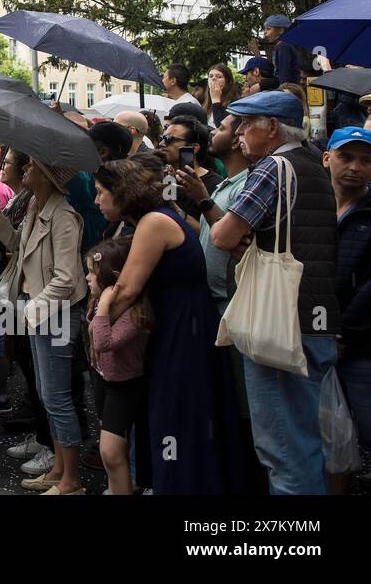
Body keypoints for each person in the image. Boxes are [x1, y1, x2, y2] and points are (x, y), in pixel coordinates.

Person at [210, 90, 341, 494]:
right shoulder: (313, 165)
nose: (240, 134)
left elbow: (222, 235)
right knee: (305, 443)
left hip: (281, 322)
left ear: (271, 128)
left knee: (283, 450)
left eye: (248, 125)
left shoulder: (273, 168)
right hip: (313, 320)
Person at [99, 154, 243, 494]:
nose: (97, 199)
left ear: (122, 193)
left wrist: (99, 317)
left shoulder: (154, 222)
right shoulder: (157, 218)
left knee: (178, 414)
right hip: (181, 323)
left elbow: (127, 289)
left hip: (183, 328)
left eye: (101, 191)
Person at [0, 154, 87, 495]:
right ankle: (58, 469)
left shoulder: (63, 216)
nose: (25, 169)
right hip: (39, 309)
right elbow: (17, 247)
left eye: (30, 166)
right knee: (46, 394)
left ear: (45, 174)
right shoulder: (34, 208)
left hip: (55, 312)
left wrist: (31, 312)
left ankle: (71, 479)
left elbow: (67, 279)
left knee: (57, 397)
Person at [84, 236, 150, 496]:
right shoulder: (100, 302)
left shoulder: (134, 313)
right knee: (113, 452)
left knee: (111, 452)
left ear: (113, 279)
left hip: (124, 385)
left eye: (92, 272)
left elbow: (102, 341)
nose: (88, 278)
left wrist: (106, 305)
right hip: (104, 379)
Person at [324, 127, 371, 460]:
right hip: (317, 340)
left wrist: (345, 331)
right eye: (347, 157)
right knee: (331, 442)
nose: (356, 166)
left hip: (361, 347)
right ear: (327, 159)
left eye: (366, 160)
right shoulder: (312, 207)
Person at [174, 113, 251, 315]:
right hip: (211, 299)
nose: (213, 132)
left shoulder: (245, 186)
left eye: (221, 128)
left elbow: (228, 238)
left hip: (231, 302)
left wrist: (202, 199)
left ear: (236, 140)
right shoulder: (227, 184)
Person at [159, 116, 222, 231]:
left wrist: (171, 205)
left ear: (193, 148)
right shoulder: (164, 176)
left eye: (169, 139)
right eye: (162, 137)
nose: (162, 143)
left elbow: (207, 233)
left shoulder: (215, 185)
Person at [264, 14, 302, 85]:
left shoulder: (284, 47)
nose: (265, 32)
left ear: (281, 30)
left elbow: (284, 74)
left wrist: (282, 91)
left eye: (268, 29)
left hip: (288, 89)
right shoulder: (282, 46)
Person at [206, 62, 242, 128]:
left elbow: (221, 128)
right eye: (211, 76)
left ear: (229, 81)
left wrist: (215, 99)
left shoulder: (235, 103)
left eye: (219, 77)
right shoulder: (207, 102)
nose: (213, 78)